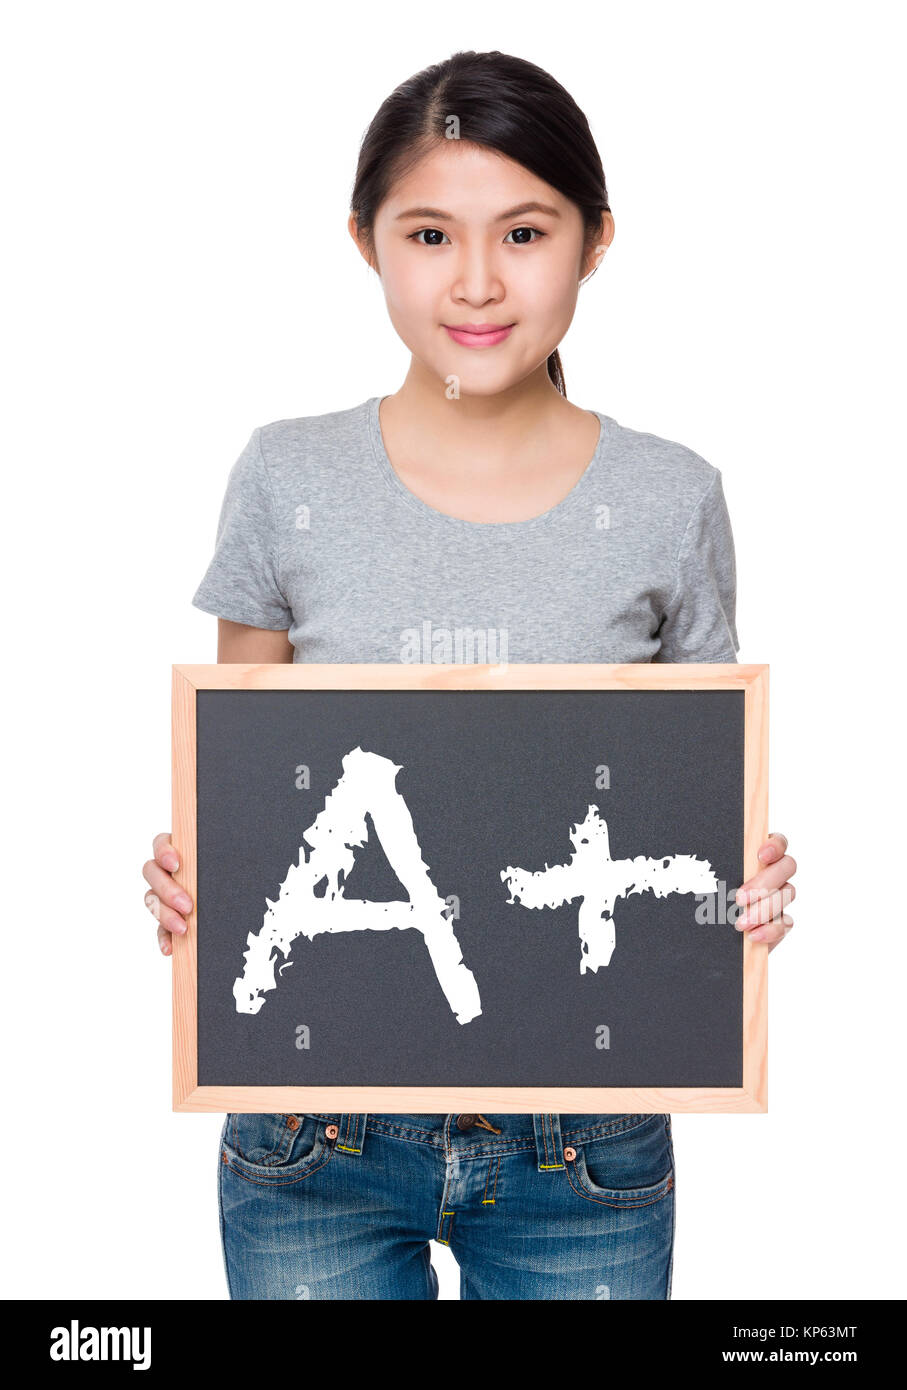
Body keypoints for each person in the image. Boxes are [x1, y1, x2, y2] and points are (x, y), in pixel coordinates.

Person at [142, 49, 796, 1300]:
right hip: (314, 1129)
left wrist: (740, 895)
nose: (479, 282)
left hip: (584, 1139)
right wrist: (194, 875)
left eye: (526, 233)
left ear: (596, 240)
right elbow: (246, 782)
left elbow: (694, 808)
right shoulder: (286, 478)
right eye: (431, 234)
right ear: (366, 241)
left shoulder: (669, 498)